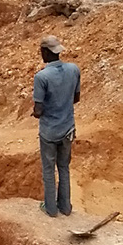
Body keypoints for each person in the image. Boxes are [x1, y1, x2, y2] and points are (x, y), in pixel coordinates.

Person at [32, 34, 81, 218]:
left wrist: (38, 112)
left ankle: (51, 208)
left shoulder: (41, 77)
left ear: (45, 52)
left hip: (49, 131)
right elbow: (76, 98)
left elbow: (38, 109)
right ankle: (66, 207)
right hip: (68, 128)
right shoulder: (73, 69)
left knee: (48, 169)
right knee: (64, 167)